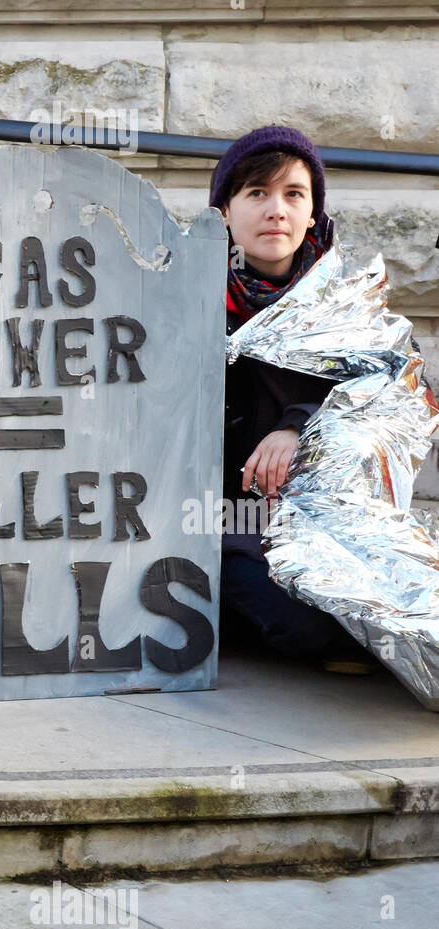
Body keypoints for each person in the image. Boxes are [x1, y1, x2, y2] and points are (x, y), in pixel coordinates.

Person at [209, 125, 374, 671]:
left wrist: (298, 424)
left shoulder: (346, 301)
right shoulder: (185, 294)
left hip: (322, 515)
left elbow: (385, 390)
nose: (275, 210)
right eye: (256, 193)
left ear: (311, 214)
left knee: (368, 615)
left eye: (293, 194)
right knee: (301, 625)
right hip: (221, 519)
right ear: (226, 213)